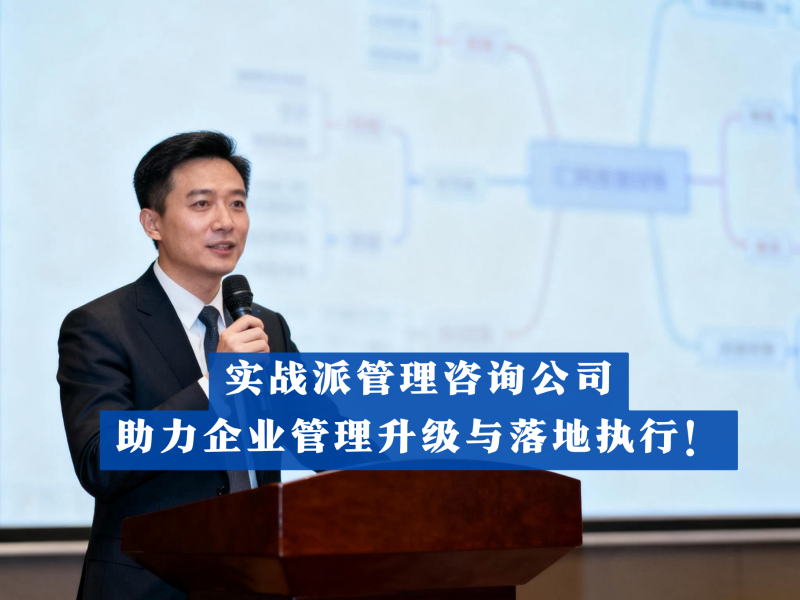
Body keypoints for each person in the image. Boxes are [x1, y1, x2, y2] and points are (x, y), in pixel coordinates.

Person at [57, 131, 296, 599]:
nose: (225, 222)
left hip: (257, 582)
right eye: (202, 204)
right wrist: (214, 387)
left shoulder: (266, 326)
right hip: (151, 586)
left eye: (238, 204)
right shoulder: (101, 326)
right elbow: (101, 463)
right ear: (153, 223)